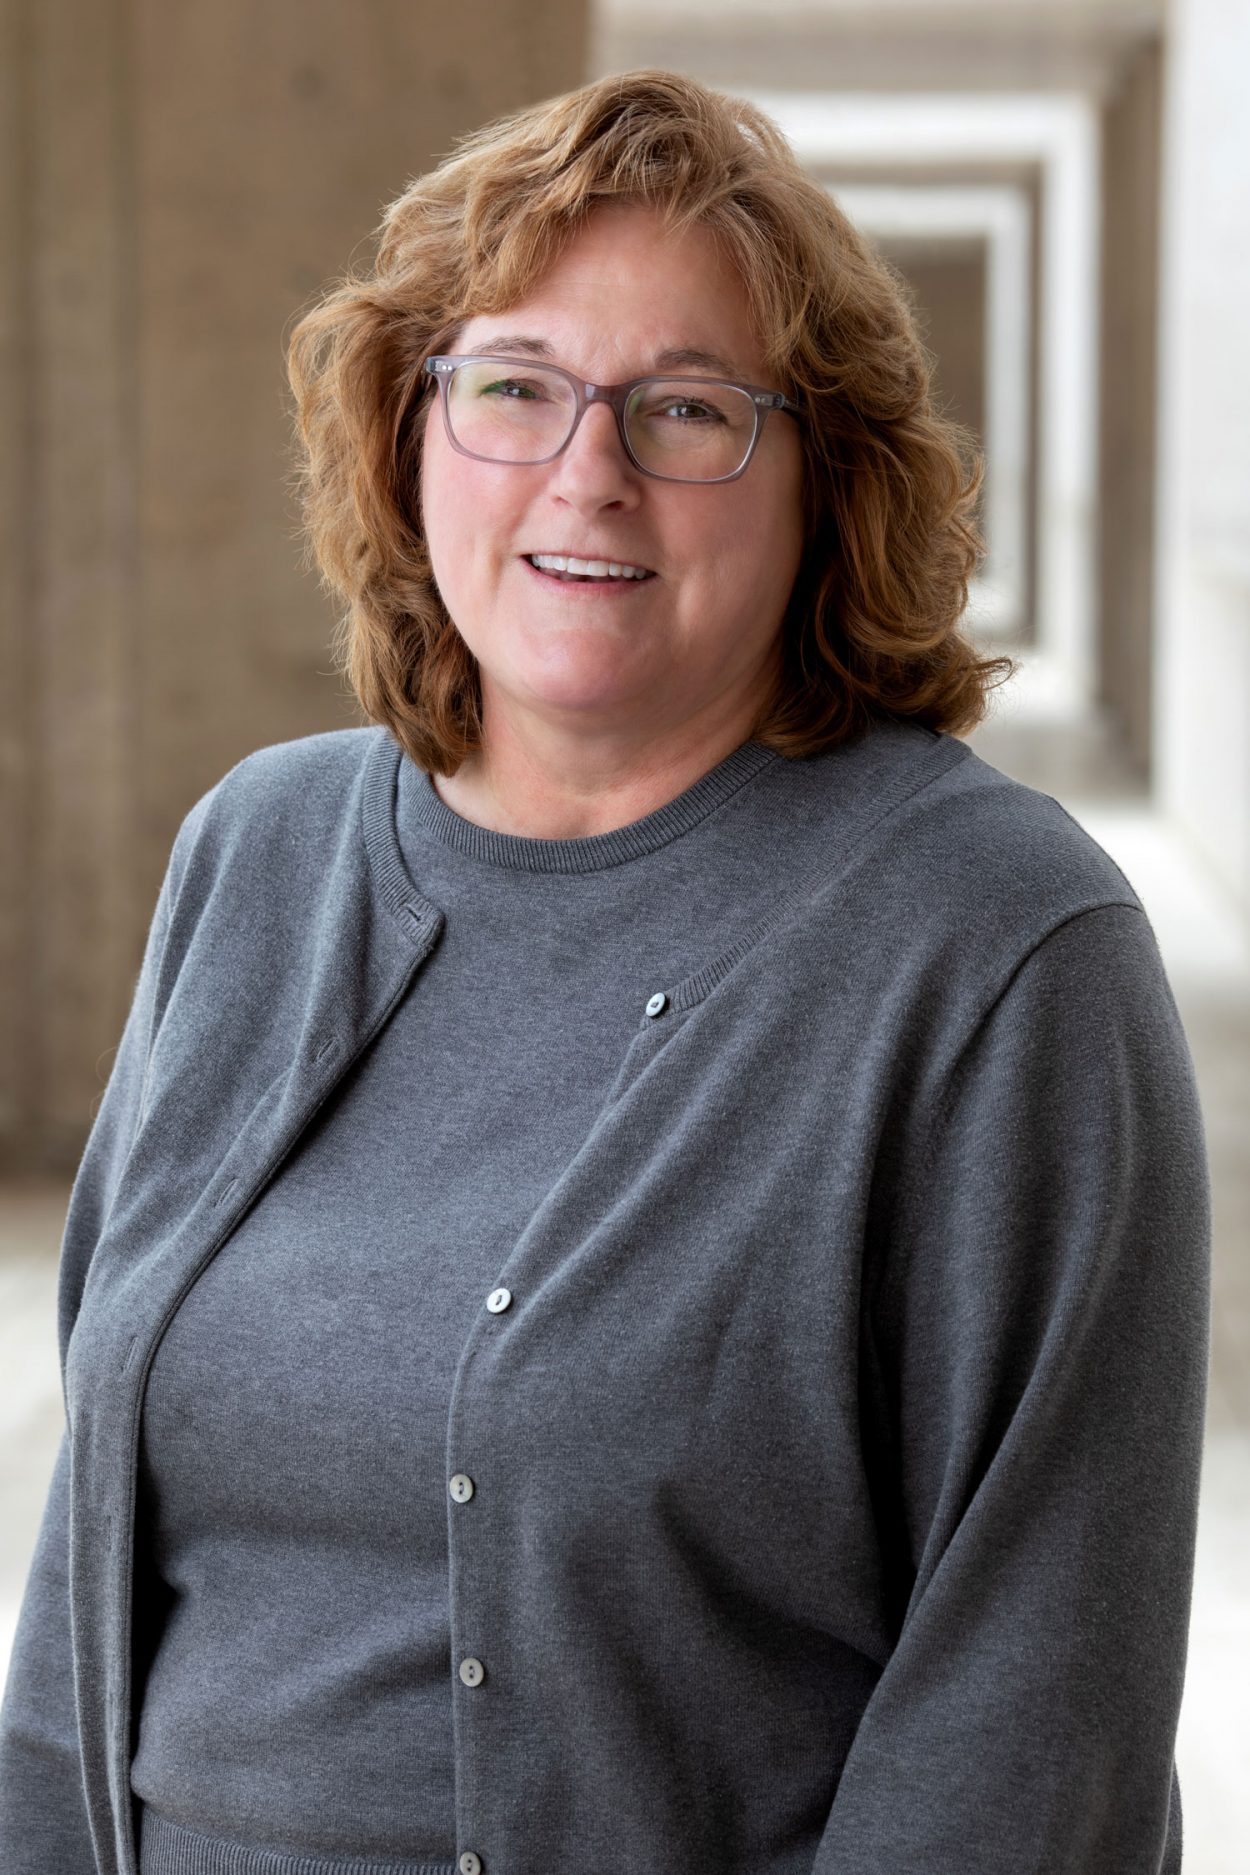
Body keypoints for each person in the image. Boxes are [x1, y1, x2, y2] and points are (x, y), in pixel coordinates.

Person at [0, 66, 1209, 1875]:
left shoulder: (992, 946)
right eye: (513, 387)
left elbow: (1031, 1730)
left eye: (686, 409)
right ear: (407, 435)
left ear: (826, 481)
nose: (588, 475)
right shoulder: (258, 854)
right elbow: (87, 1583)